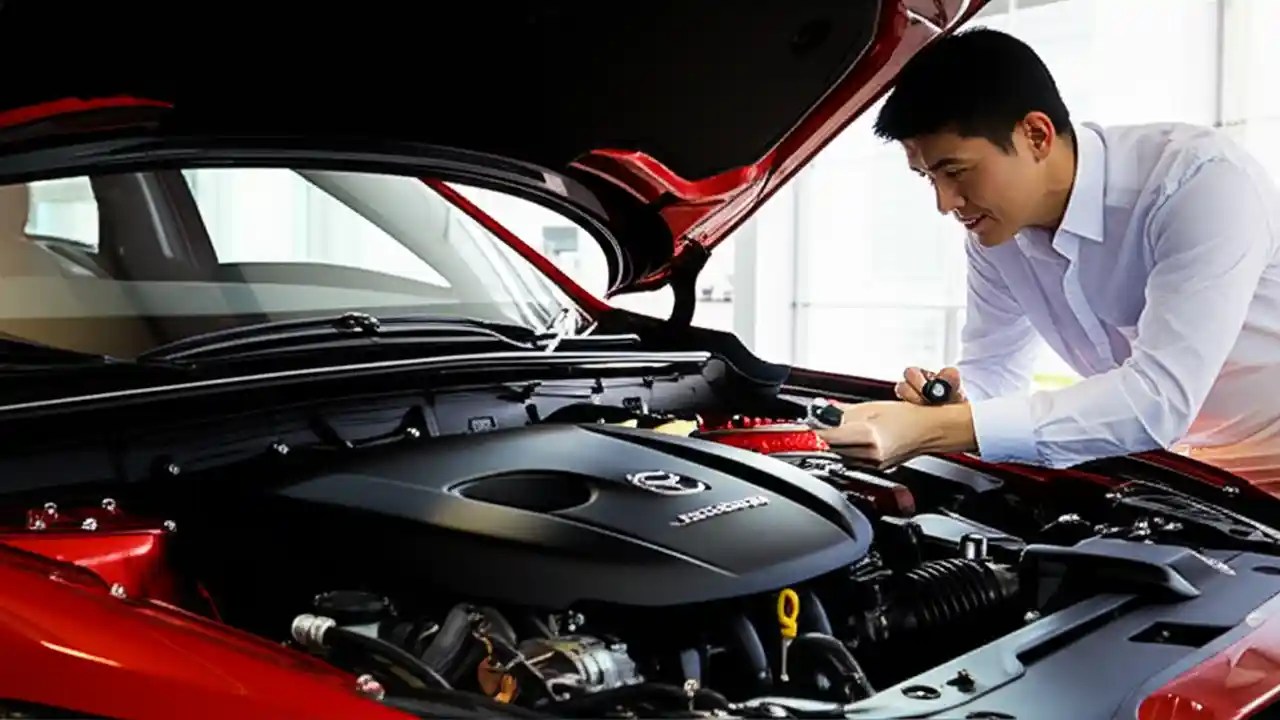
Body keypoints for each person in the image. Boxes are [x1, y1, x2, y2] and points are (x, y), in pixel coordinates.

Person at [813, 27, 1280, 493]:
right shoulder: (995, 234)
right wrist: (955, 402)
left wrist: (931, 431)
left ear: (1036, 134)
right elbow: (994, 370)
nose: (944, 201)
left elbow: (1157, 400)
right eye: (926, 177)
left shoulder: (1199, 185)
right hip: (1187, 473)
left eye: (955, 171)